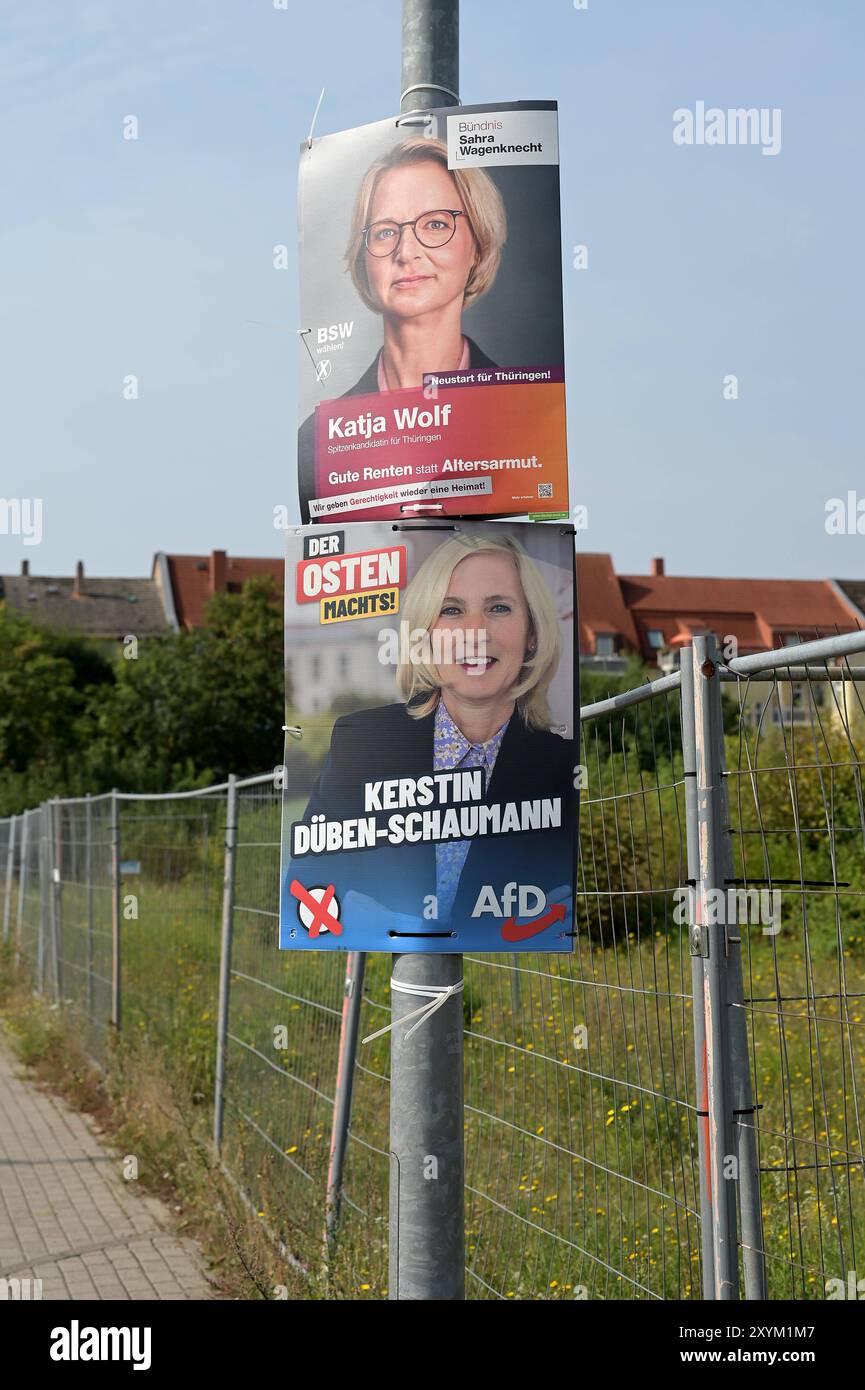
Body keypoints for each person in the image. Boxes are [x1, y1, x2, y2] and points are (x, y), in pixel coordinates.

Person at [284, 530, 575, 945]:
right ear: (423, 634)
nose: (474, 631)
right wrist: (376, 927)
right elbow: (304, 893)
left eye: (498, 607)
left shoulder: (559, 767)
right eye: (452, 610)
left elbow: (562, 910)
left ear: (532, 634)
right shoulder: (363, 743)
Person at [298, 137, 508, 521]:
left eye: (435, 224)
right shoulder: (319, 438)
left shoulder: (520, 414)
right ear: (363, 259)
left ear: (477, 245)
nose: (406, 251)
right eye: (384, 231)